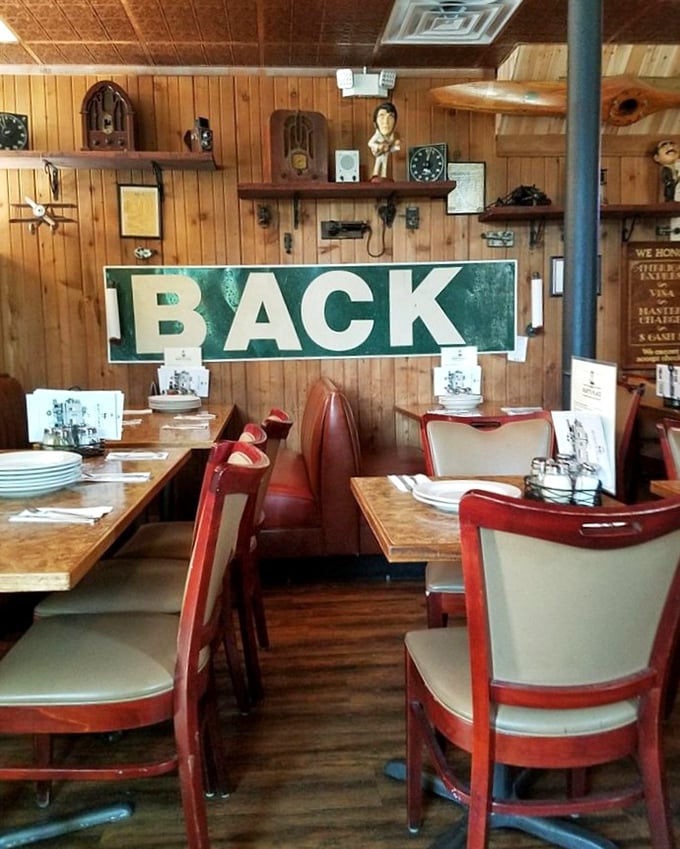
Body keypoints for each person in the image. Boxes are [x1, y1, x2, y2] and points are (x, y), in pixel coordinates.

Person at [368, 101, 400, 181]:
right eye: (381, 116)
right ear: (375, 123)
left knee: (385, 164)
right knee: (378, 163)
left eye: (390, 117)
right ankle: (375, 174)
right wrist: (378, 146)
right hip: (379, 152)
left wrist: (396, 146)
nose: (386, 122)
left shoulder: (391, 137)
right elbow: (370, 143)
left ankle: (384, 175)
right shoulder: (377, 136)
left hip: (385, 153)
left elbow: (391, 148)